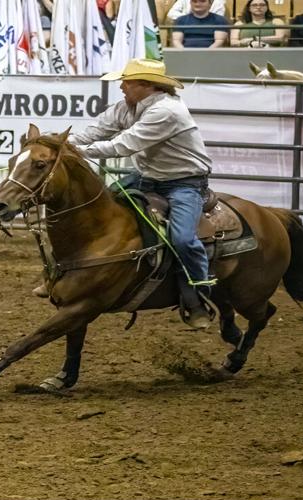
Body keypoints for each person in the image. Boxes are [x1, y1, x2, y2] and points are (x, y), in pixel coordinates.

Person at [68, 58, 217, 326]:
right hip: (147, 178)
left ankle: (199, 289)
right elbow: (96, 131)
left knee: (183, 238)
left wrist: (74, 151)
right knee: (100, 213)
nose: (122, 86)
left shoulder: (167, 111)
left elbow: (124, 145)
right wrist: (59, 142)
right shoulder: (127, 107)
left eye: (127, 82)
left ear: (146, 85)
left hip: (184, 183)